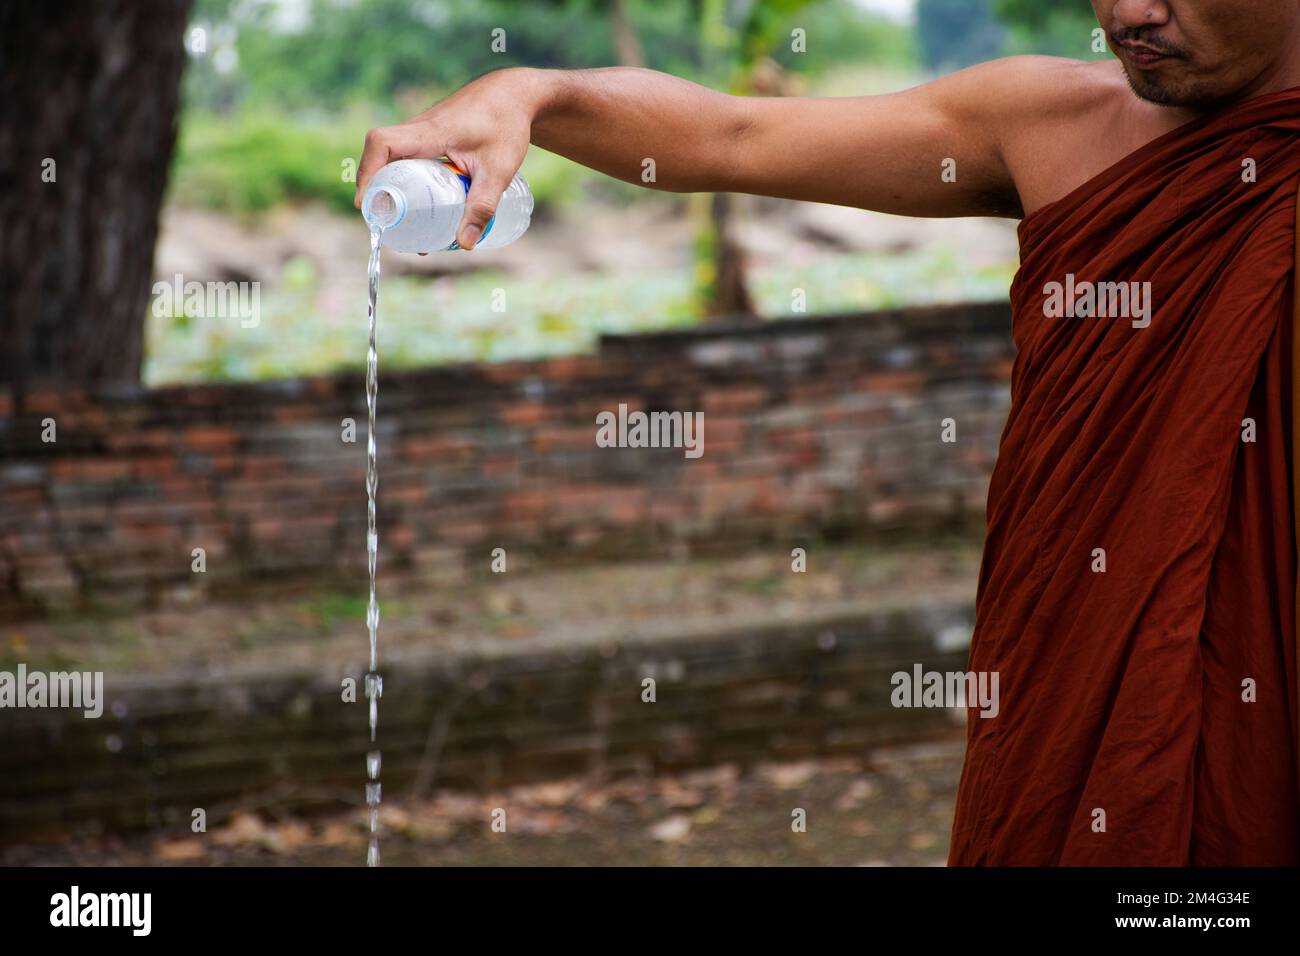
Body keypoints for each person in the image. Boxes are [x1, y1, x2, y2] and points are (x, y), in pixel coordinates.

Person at [356, 1, 1300, 865]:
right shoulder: (1050, 122)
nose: (1132, 11)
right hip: (1074, 680)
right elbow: (733, 134)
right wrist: (535, 92)